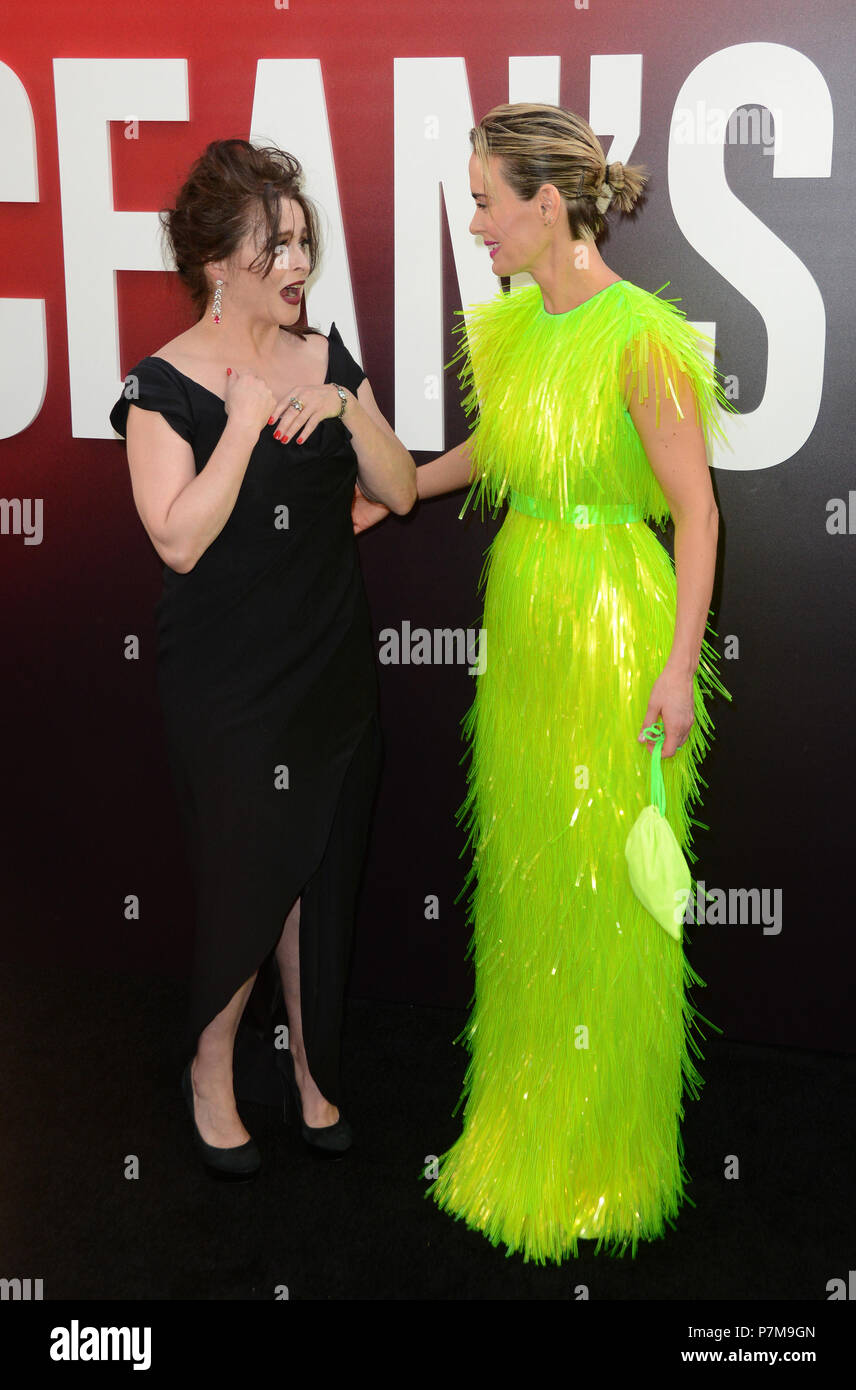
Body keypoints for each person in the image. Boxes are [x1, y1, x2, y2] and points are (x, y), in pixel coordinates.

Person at [353, 103, 733, 1261]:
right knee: (524, 877)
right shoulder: (514, 333)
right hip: (523, 616)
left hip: (616, 621)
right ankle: (520, 1127)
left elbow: (698, 511)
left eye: (483, 201)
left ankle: (602, 1162)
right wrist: (403, 487)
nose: (472, 224)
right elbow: (497, 449)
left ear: (546, 206)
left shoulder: (640, 338)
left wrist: (675, 668)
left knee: (604, 891)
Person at [110, 139, 416, 1179]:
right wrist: (241, 426)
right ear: (216, 263)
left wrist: (343, 404)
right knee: (253, 873)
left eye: (300, 240)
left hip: (327, 663)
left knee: (316, 872)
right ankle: (210, 1063)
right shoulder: (161, 388)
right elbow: (179, 537)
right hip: (229, 688)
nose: (296, 262)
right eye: (273, 244)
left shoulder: (325, 354)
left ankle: (311, 1068)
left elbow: (401, 487)